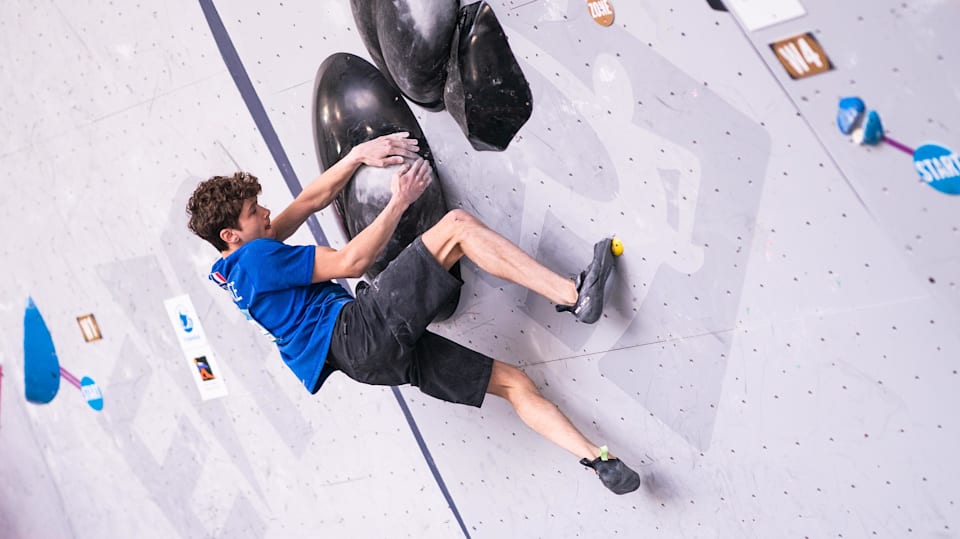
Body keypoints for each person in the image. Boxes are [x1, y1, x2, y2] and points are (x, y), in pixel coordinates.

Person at [186, 132, 640, 495]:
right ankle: (573, 293)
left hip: (365, 363)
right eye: (253, 212)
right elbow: (350, 263)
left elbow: (306, 203)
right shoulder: (256, 259)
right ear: (232, 234)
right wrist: (399, 201)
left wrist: (358, 155)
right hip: (355, 331)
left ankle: (599, 460)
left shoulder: (234, 271)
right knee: (457, 228)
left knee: (513, 383)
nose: (266, 212)